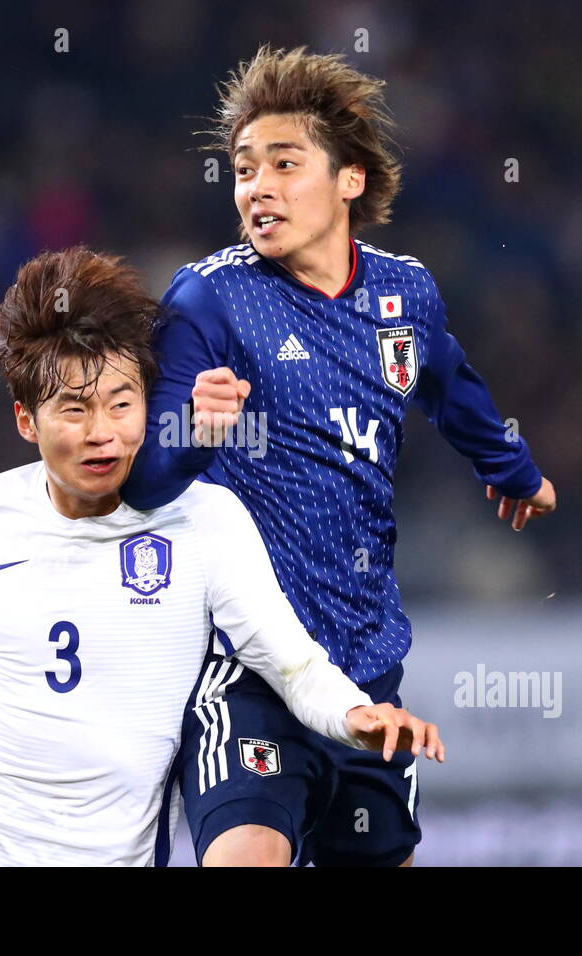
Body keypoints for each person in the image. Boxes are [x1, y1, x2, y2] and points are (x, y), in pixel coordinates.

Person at [0, 246, 443, 866]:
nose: (102, 432)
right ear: (26, 421)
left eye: (121, 403)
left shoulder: (206, 519)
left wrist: (354, 713)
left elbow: (290, 661)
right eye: (73, 409)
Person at [121, 46, 556, 867]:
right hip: (243, 671)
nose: (256, 186)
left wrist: (515, 472)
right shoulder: (208, 298)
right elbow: (144, 485)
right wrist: (194, 435)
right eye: (243, 169)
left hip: (365, 676)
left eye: (284, 164)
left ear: (348, 180)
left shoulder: (404, 294)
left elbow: (452, 389)